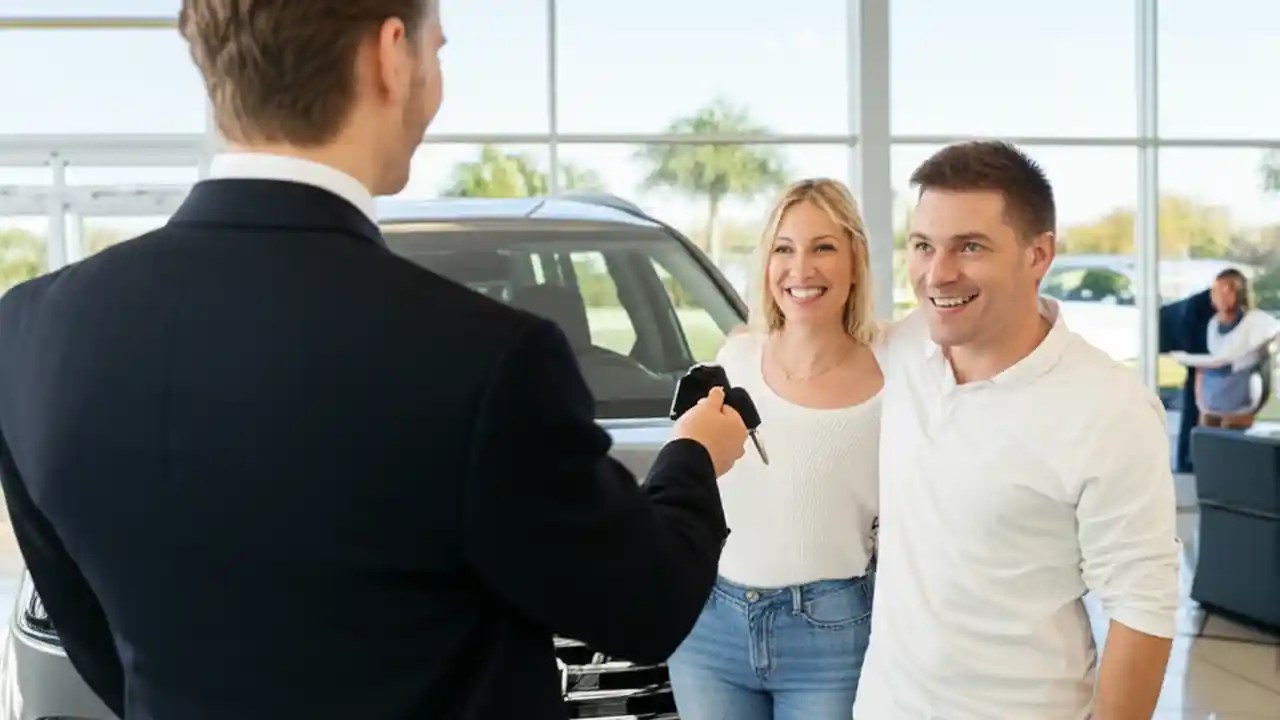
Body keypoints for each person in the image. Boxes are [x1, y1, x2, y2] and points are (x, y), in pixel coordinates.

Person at [0, 2, 749, 719]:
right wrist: (690, 455)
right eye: (438, 47)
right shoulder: (487, 358)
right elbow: (645, 606)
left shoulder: (31, 331)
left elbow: (93, 638)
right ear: (392, 55)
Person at [853, 141, 1181, 720]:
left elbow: (1142, 607)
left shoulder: (1109, 407)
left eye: (970, 247)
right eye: (923, 245)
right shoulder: (902, 350)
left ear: (1038, 254)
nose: (938, 272)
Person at [668, 178, 883, 720]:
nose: (801, 269)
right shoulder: (736, 357)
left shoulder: (894, 371)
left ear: (855, 260)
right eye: (784, 249)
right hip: (710, 628)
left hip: (830, 636)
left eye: (824, 248)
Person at [1179, 268, 1279, 430]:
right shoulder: (1212, 324)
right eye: (1217, 291)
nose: (1221, 296)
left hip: (1240, 403)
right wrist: (1201, 402)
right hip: (1210, 403)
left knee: (1232, 447)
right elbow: (1209, 363)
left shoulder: (1256, 324)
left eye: (1228, 291)